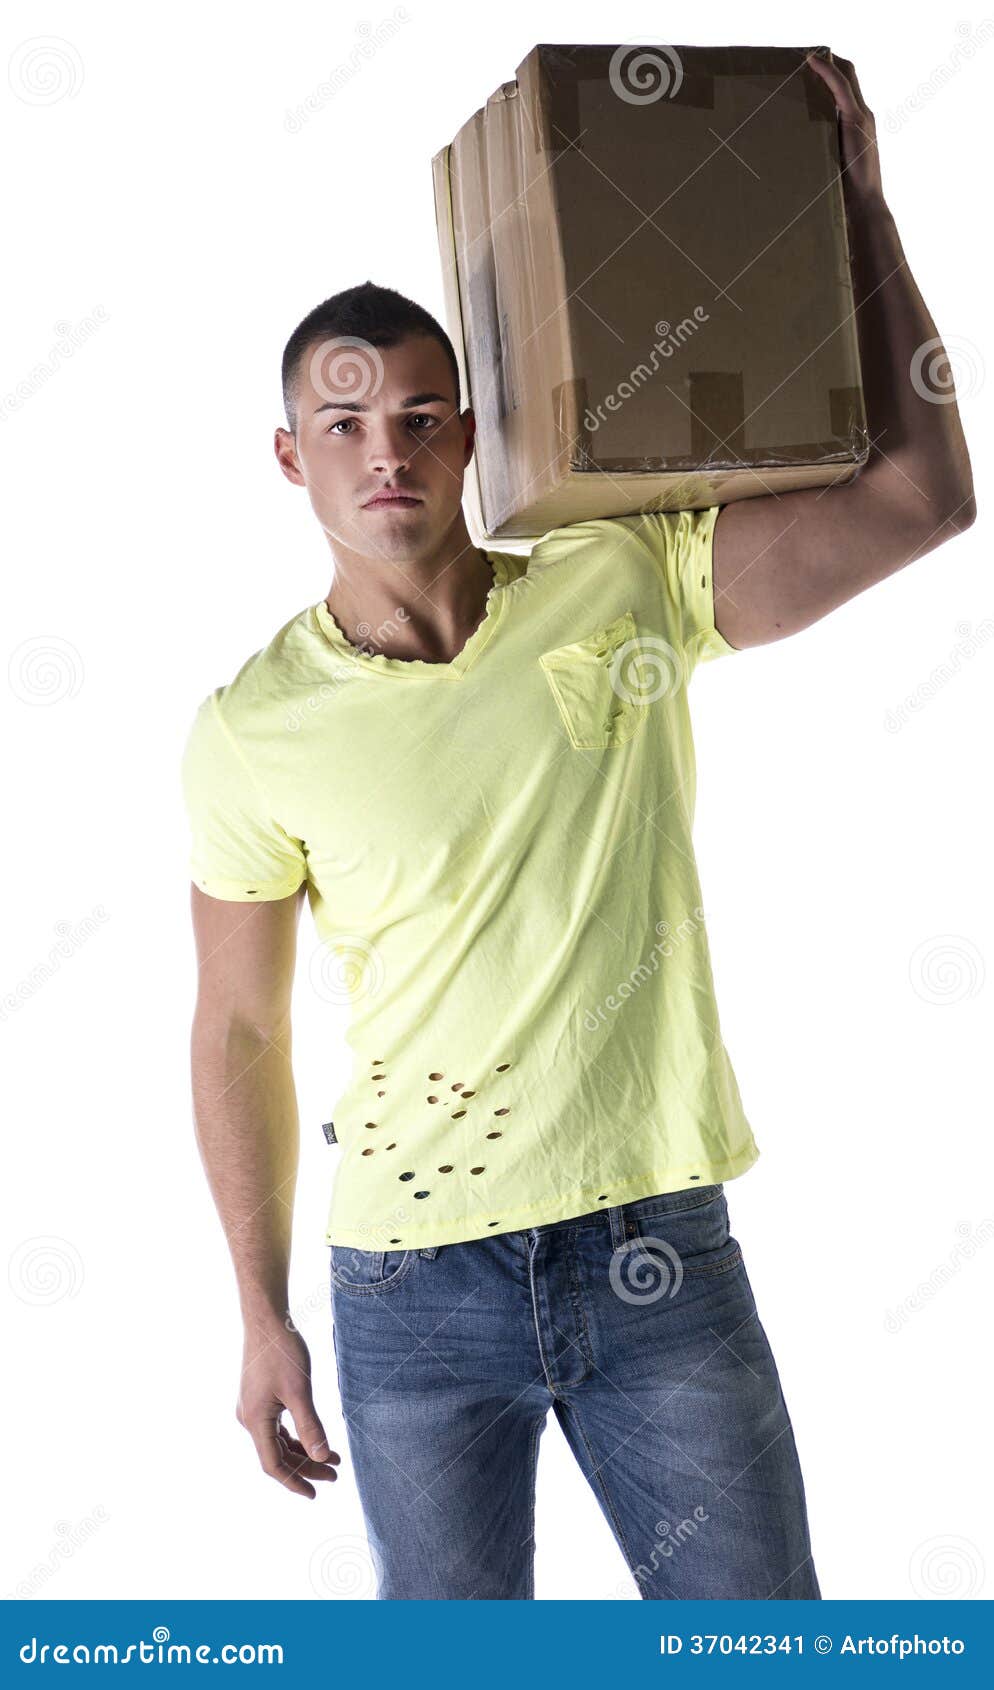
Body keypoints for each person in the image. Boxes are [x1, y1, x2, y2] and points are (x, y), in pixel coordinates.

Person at [181, 54, 975, 1599]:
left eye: (418, 415)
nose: (384, 451)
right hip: (406, 1281)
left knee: (764, 1648)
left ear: (472, 437)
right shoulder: (248, 730)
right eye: (341, 425)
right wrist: (258, 1309)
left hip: (652, 1250)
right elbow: (236, 1032)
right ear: (292, 457)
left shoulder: (623, 583)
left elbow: (918, 498)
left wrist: (855, 207)